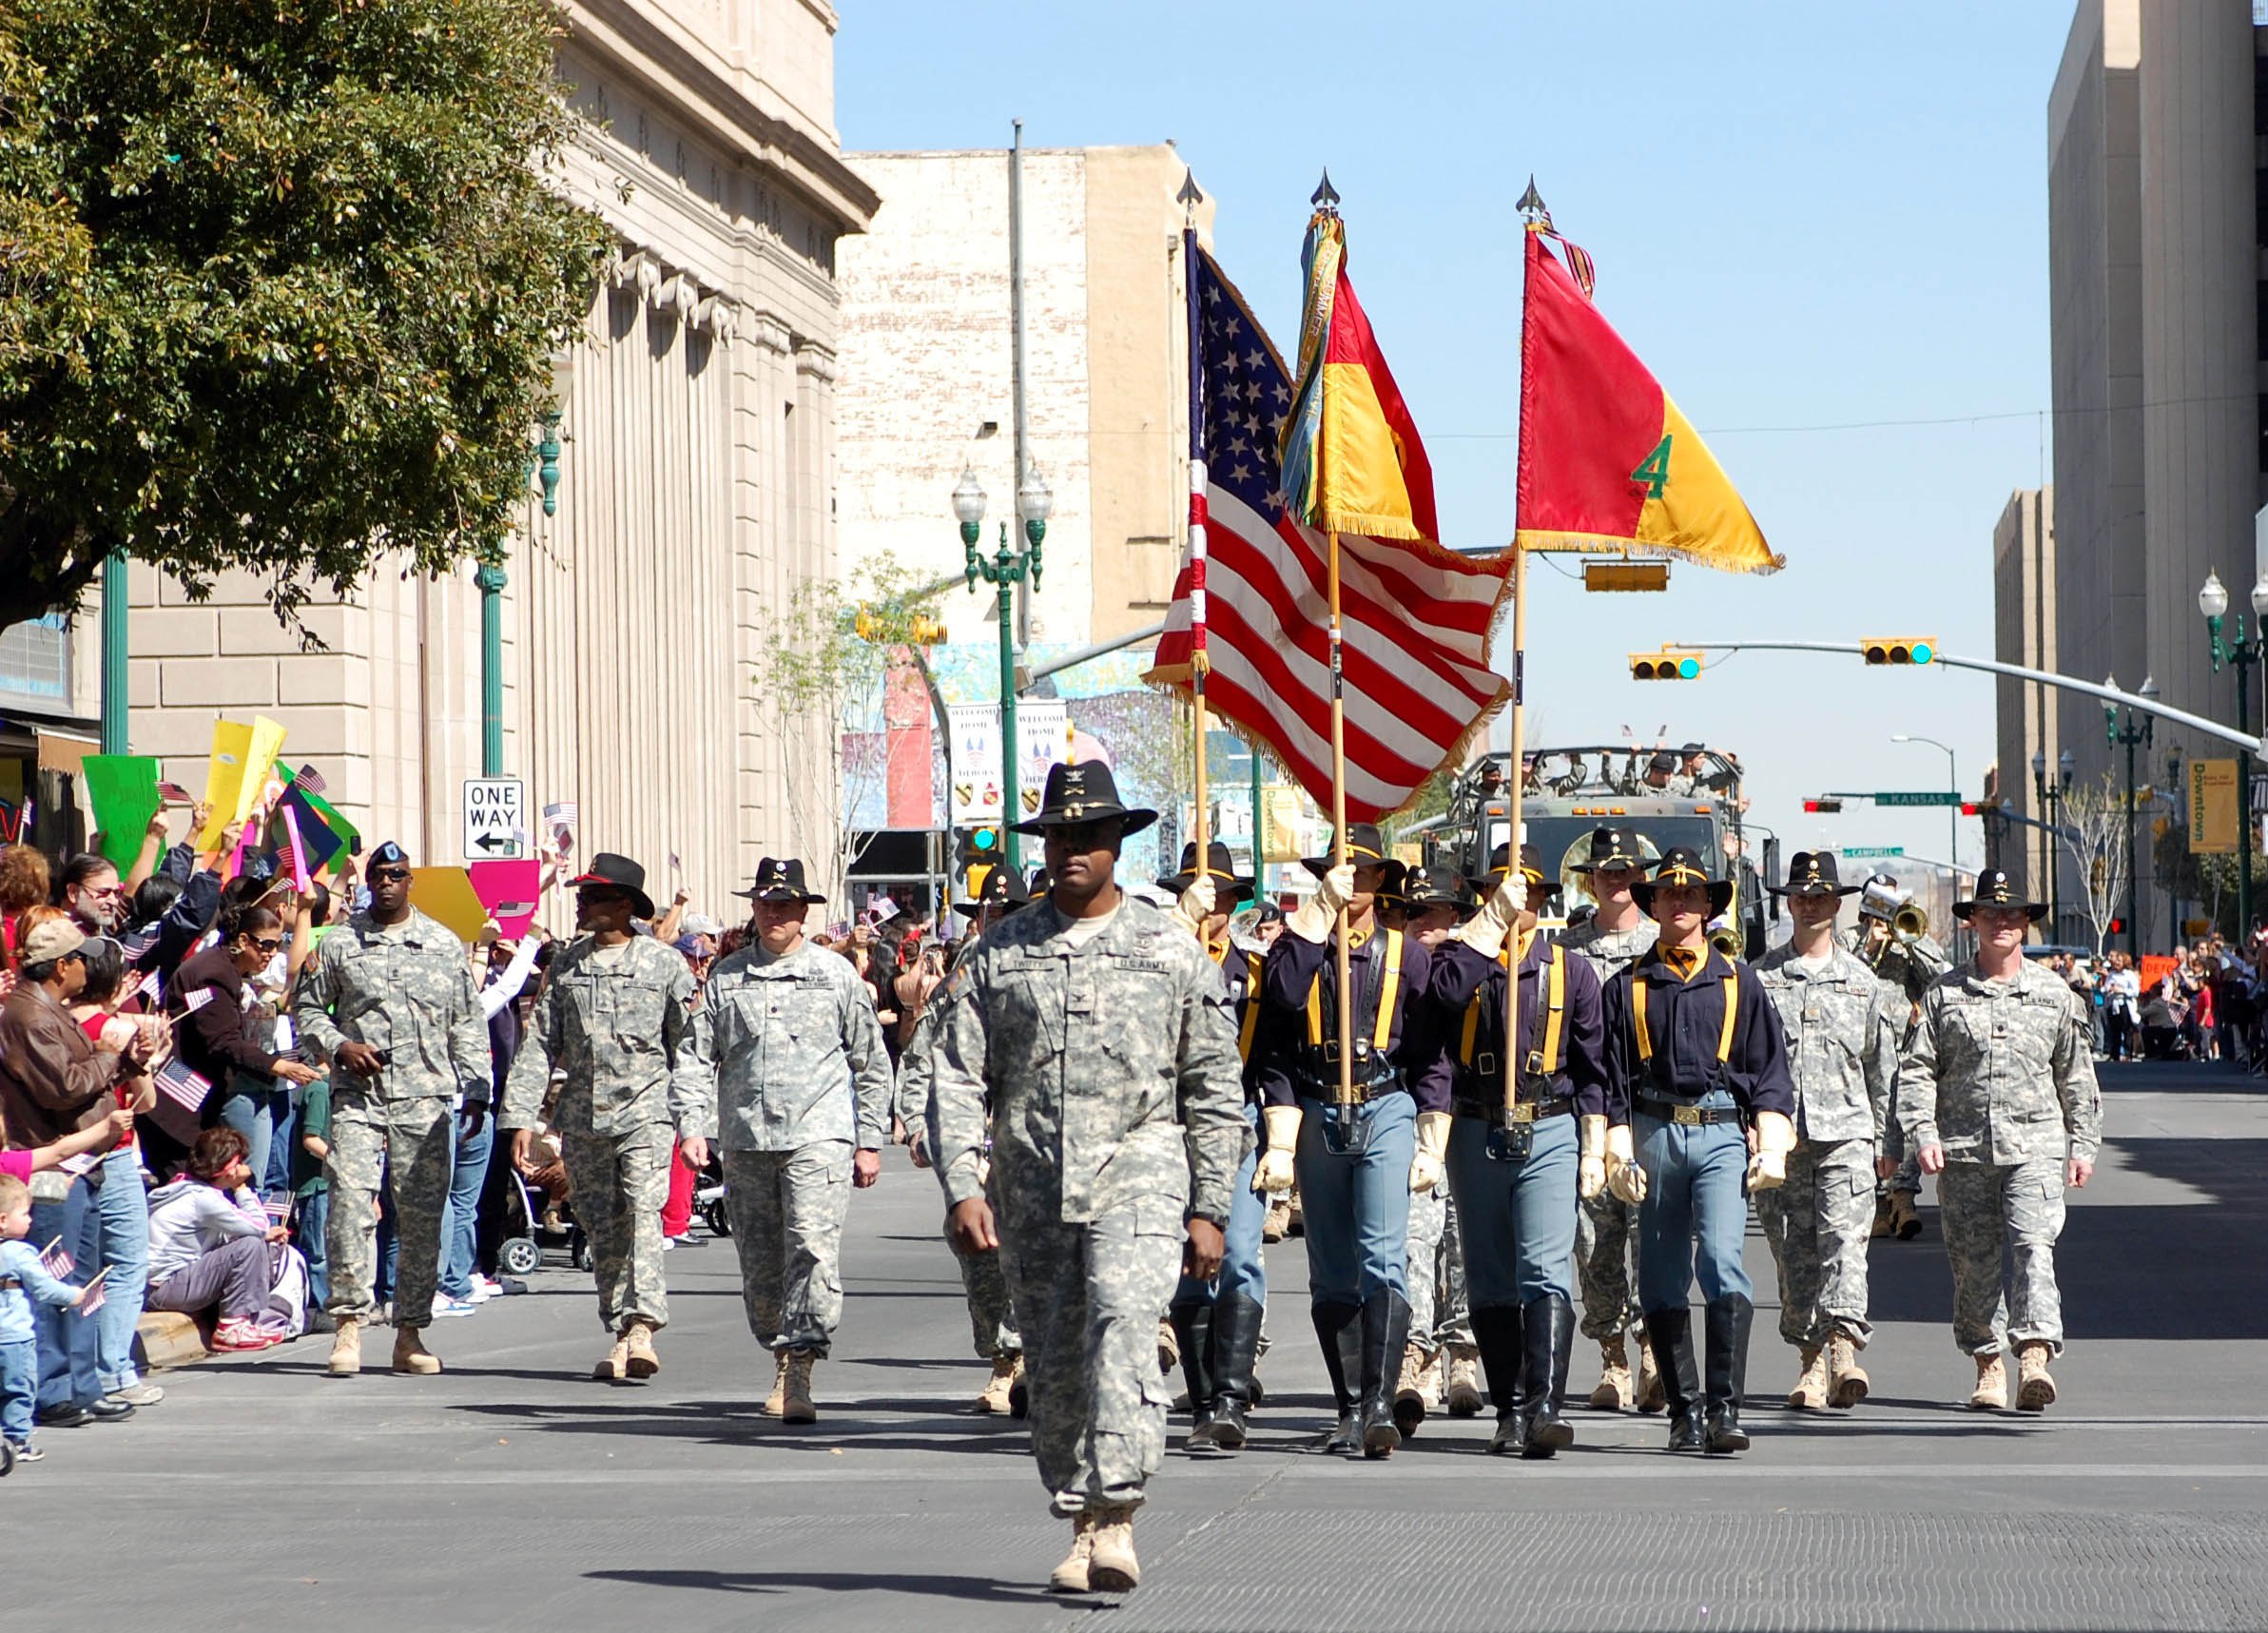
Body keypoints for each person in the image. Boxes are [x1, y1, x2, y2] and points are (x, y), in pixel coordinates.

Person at [927, 761, 1244, 1593]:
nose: (1072, 848)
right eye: (1060, 835)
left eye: (1088, 836)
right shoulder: (1000, 950)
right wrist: (963, 1183)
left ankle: (1120, 1515)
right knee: (1058, 1355)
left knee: (1123, 1329)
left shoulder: (1168, 946)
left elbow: (1212, 1082)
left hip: (1139, 1175)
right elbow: (956, 1075)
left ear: (1118, 845)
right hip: (1030, 1185)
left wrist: (1210, 1206)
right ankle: (1079, 1515)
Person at [1255, 823, 1447, 1461]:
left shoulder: (1406, 954)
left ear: (1381, 882)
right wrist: (1315, 915)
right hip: (1315, 1105)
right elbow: (1281, 998)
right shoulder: (1298, 944)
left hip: (1383, 1100)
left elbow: (1430, 1049)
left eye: (1365, 874)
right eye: (1342, 871)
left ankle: (1376, 1404)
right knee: (1331, 1268)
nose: (1355, 883)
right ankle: (1345, 1405)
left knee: (1382, 1255)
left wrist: (1430, 1125)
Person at [680, 856, 890, 1423]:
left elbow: (870, 1062)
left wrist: (868, 1139)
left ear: (803, 912)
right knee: (761, 1262)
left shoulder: (835, 975)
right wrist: (693, 1126)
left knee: (812, 1249)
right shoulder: (726, 978)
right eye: (765, 904)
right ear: (753, 909)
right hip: (747, 1142)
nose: (774, 913)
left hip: (818, 1137)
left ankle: (799, 1365)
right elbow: (697, 1059)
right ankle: (779, 1341)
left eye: (785, 905)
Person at [1601, 846, 1796, 1456]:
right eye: (1668, 894)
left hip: (1717, 1133)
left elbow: (1769, 1070)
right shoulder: (1628, 986)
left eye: (1691, 895)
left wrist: (1771, 1141)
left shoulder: (1740, 982)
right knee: (1659, 1275)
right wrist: (1614, 1150)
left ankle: (1725, 1410)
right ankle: (1683, 1411)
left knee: (1721, 1262)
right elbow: (1610, 1081)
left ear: (1709, 906)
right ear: (1653, 905)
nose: (1680, 903)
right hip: (1656, 1132)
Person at [1425, 845, 1606, 1456]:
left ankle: (1546, 1406)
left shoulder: (1571, 971)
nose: (1515, 903)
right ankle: (1510, 1406)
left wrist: (1596, 1140)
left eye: (1525, 892)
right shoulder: (1457, 960)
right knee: (1489, 1273)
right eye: (1503, 891)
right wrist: (1482, 937)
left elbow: (1592, 1065)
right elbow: (1442, 1001)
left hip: (1547, 1123)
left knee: (1545, 1266)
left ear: (1542, 900)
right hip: (1476, 1126)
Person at [1897, 870, 2102, 1412]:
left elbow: (2075, 1076)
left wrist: (2082, 1143)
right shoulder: (1944, 996)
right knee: (1973, 1262)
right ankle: (1988, 1364)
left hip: (2033, 1149)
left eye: (2012, 914)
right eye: (1991, 913)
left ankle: (2034, 1354)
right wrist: (1923, 1134)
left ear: (2026, 923)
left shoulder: (2054, 994)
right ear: (1974, 922)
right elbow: (1918, 1072)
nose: (2002, 922)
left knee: (2035, 1249)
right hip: (1963, 1153)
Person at [292, 841, 492, 1378]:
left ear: (411, 882)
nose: (386, 882)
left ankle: (410, 1332)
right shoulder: (340, 944)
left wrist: (476, 1088)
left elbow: (467, 1022)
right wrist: (339, 1046)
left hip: (425, 1100)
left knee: (423, 1218)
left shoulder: (442, 944)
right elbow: (306, 1007)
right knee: (350, 1208)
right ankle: (349, 1327)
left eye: (397, 874)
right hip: (359, 1096)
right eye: (379, 873)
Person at [502, 853, 699, 1381]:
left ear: (624, 906)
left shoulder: (663, 965)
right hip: (584, 1120)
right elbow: (540, 1043)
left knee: (641, 1212)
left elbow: (691, 1049)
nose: (580, 902)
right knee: (600, 1226)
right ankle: (619, 1329)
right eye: (582, 894)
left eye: (592, 896)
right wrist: (522, 1116)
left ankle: (643, 1327)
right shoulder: (566, 964)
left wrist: (696, 1118)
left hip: (647, 1115)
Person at [1753, 854, 1899, 1410]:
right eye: (1801, 896)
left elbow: (1882, 1068)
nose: (1811, 905)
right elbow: (1747, 1064)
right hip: (1781, 1142)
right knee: (1793, 1254)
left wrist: (1890, 1145)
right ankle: (1808, 1360)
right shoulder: (1761, 979)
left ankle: (1842, 1349)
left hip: (1847, 1136)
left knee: (1846, 1246)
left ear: (1838, 904)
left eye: (1821, 897)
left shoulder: (1865, 984)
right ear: (1789, 903)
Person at [0, 919, 146, 1428]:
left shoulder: (48, 1011)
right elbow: (62, 1089)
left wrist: (128, 1062)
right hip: (50, 1165)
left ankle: (83, 1383)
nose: (88, 966)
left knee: (86, 1275)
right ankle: (55, 1388)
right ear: (62, 966)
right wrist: (110, 1054)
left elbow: (85, 1080)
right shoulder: (27, 1017)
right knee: (53, 1274)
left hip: (85, 1161)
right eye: (81, 957)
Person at [1156, 839, 1271, 1452]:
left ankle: (1230, 1399)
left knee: (1240, 1253)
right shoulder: (1160, 959)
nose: (1212, 905)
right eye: (1200, 894)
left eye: (1224, 895)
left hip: (1235, 1125)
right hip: (1169, 1126)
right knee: (1187, 1264)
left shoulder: (1250, 971)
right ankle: (1202, 1401)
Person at [1554, 826, 1662, 1413]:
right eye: (1605, 872)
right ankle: (1613, 1358)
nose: (1615, 880)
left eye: (1625, 871)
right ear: (1589, 881)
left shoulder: (1662, 942)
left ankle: (1651, 1357)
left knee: (1652, 1239)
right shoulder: (1569, 953)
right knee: (1595, 1242)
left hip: (1647, 1113)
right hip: (1588, 1117)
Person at [1386, 865, 1483, 1430]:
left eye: (1436, 912)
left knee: (1463, 1241)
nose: (1423, 923)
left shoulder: (1470, 967)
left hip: (1468, 1118)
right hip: (1414, 1119)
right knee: (1415, 1240)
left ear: (1457, 917)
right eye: (1411, 912)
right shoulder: (1395, 968)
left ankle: (1464, 1355)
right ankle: (1412, 1356)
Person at [170, 904, 321, 1192]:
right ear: (242, 941)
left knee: (245, 1180)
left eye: (277, 945)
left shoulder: (224, 969)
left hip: (221, 1086)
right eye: (265, 945)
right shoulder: (212, 972)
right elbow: (223, 1042)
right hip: (193, 1092)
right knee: (243, 1182)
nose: (272, 953)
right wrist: (281, 1066)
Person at [1847, 876, 1951, 1242]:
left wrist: (1911, 942)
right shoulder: (1846, 942)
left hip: (1903, 1050)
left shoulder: (1906, 942)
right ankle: (1877, 1205)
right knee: (1868, 1129)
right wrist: (1867, 947)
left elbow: (1941, 978)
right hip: (1860, 1056)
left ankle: (1904, 1201)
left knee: (1906, 1125)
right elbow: (1842, 983)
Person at [143, 1127, 289, 1351]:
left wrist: (265, 1235)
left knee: (255, 1244)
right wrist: (241, 1188)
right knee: (250, 1245)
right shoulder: (204, 1198)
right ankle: (232, 1328)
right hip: (167, 1288)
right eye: (239, 1163)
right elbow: (258, 1227)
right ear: (225, 1169)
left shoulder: (184, 1186)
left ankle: (240, 1319)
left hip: (158, 1286)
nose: (243, 1168)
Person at [0, 1171, 99, 1467]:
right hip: (15, 1337)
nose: (30, 1220)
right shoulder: (20, 1252)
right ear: (3, 1220)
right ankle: (18, 1440)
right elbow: (43, 1286)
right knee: (20, 1389)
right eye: (24, 1213)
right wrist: (72, 1295)